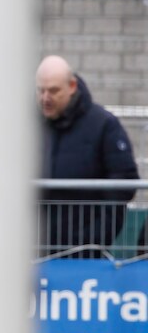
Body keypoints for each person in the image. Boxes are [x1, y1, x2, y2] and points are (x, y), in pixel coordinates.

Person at [36, 55, 139, 258]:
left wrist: (94, 239)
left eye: (54, 91)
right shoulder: (26, 124)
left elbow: (123, 183)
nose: (45, 98)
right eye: (41, 90)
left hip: (83, 255)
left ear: (72, 86)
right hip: (31, 251)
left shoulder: (103, 125)